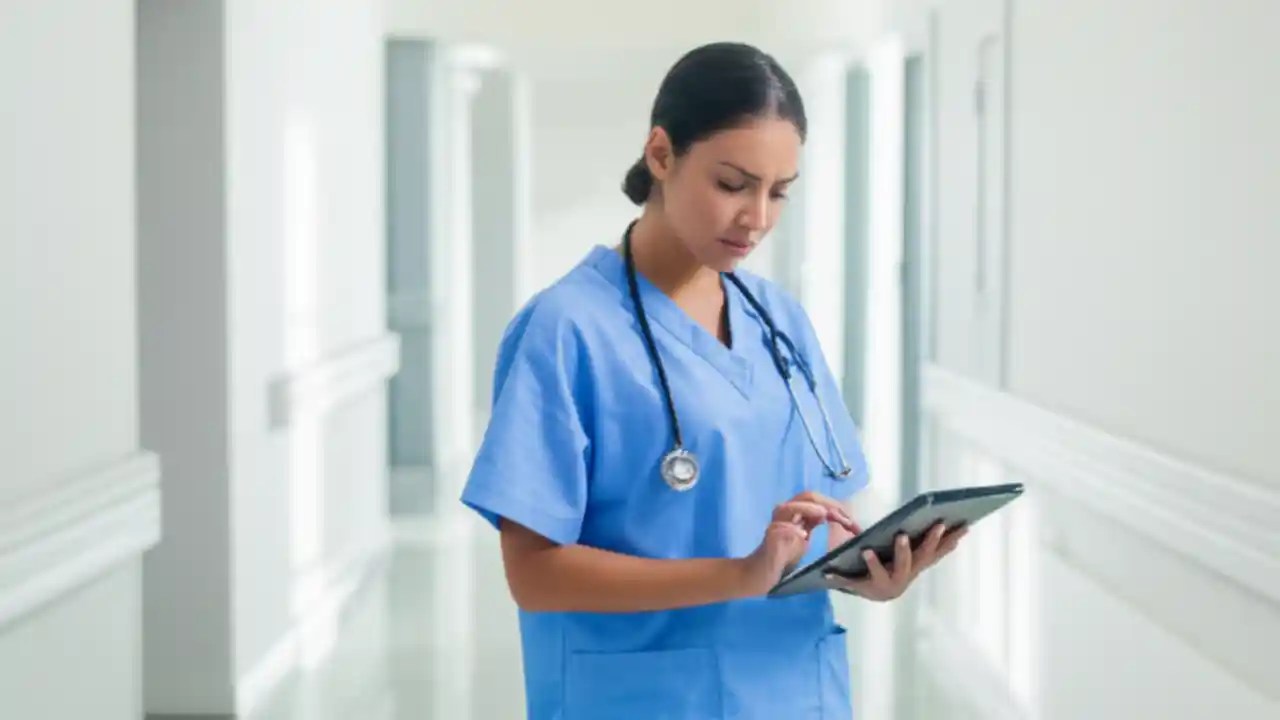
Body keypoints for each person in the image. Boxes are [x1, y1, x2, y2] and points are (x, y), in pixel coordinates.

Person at [461, 41, 967, 719]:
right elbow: (532, 573)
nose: (757, 217)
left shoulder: (778, 319)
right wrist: (738, 576)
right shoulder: (565, 329)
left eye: (778, 192)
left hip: (790, 687)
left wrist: (864, 569)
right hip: (643, 699)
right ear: (661, 155)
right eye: (733, 184)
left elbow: (799, 520)